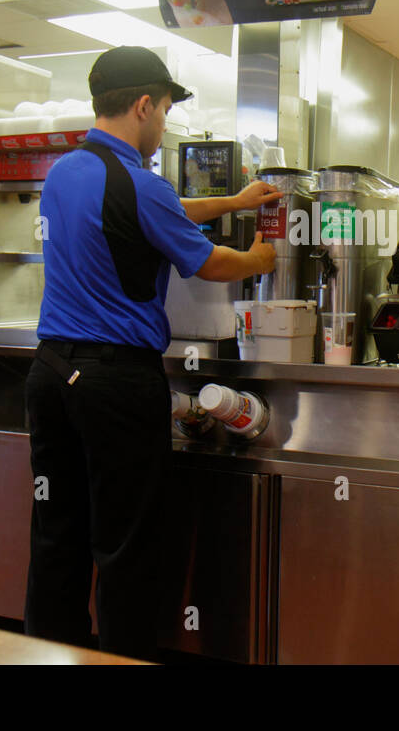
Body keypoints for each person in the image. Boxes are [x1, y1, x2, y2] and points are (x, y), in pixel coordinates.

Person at [24, 46, 278, 660]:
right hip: (113, 384)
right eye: (163, 111)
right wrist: (262, 259)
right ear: (143, 105)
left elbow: (151, 212)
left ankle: (49, 657)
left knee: (57, 535)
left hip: (50, 375)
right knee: (126, 546)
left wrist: (235, 202)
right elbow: (209, 261)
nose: (163, 126)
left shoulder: (65, 171)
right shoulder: (139, 183)